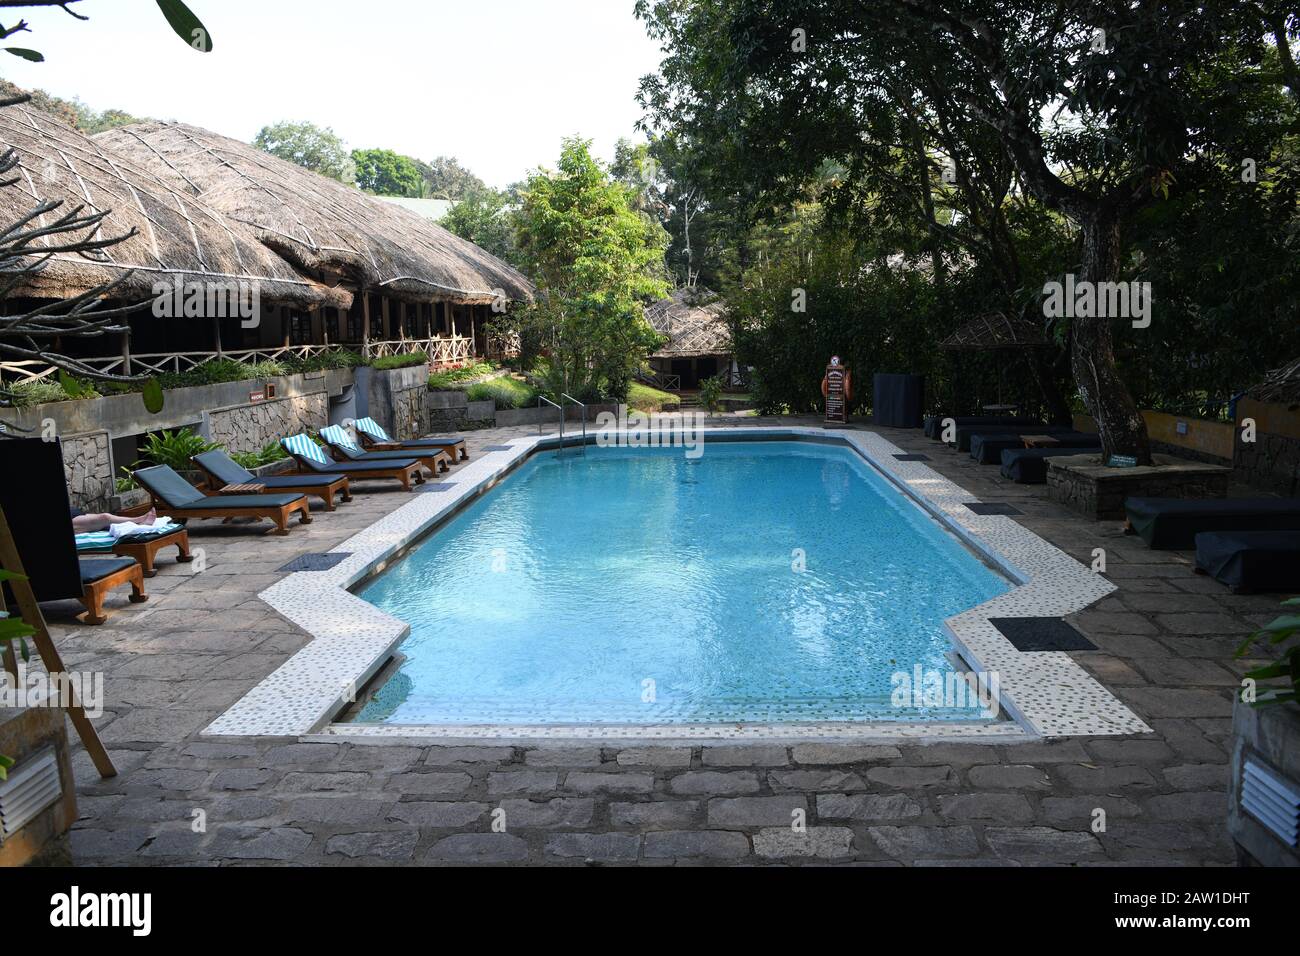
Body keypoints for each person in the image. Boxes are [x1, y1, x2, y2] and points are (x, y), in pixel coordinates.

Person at [70, 507, 157, 534]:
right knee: (105, 518)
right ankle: (139, 520)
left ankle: (140, 522)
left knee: (105, 523)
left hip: (76, 514)